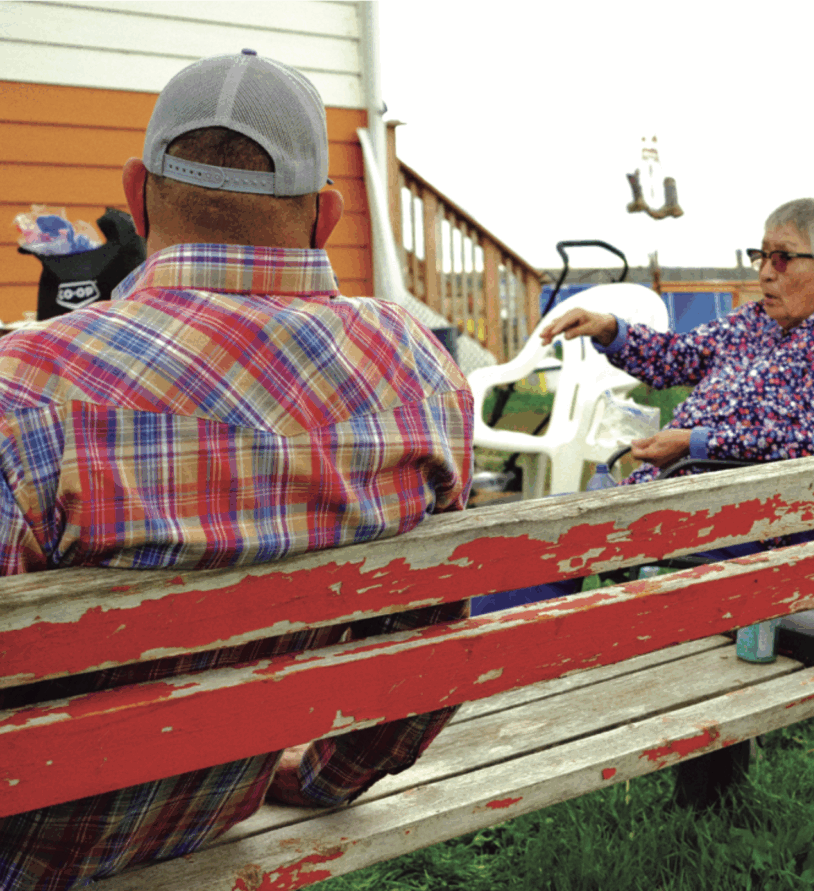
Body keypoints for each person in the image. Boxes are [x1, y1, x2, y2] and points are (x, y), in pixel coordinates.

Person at [0, 51, 473, 890]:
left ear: (137, 194)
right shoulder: (421, 373)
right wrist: (324, 779)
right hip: (210, 812)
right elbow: (427, 643)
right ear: (326, 216)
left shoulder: (29, 387)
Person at [541, 198, 814, 483]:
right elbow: (675, 357)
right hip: (668, 485)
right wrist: (609, 329)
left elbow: (809, 443)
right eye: (762, 256)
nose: (765, 273)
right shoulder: (753, 320)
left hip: (729, 503)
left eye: (782, 259)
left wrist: (695, 443)